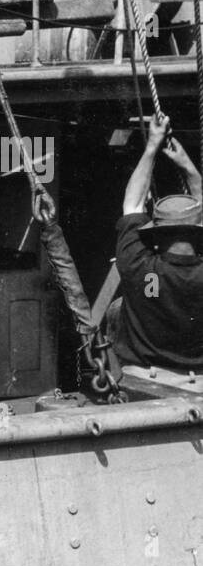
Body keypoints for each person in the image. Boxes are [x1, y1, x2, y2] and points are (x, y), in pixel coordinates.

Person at [113, 114, 203, 381]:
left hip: (144, 379)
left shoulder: (138, 265)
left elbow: (133, 205)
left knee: (115, 310)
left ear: (157, 234)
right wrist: (187, 165)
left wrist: (152, 145)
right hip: (198, 381)